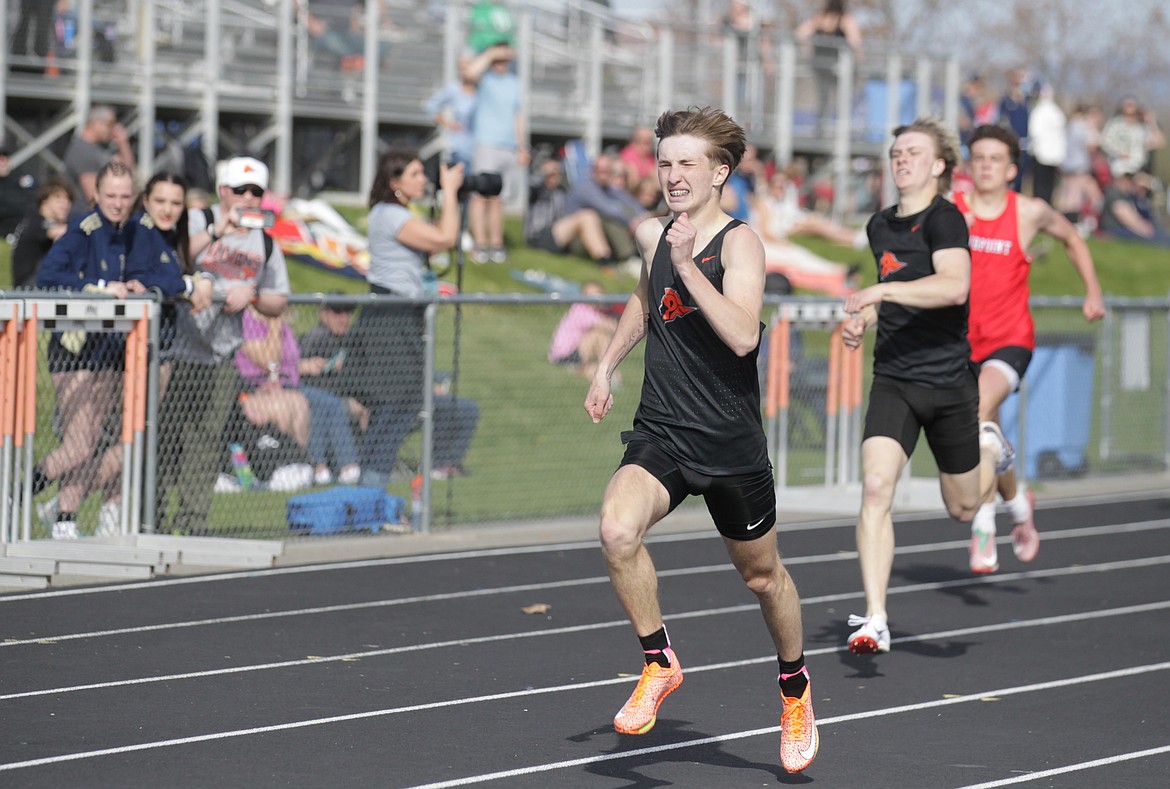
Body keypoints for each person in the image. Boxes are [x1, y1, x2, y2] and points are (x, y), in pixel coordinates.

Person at [583, 106, 817, 774]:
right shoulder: (650, 232)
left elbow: (744, 335)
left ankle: (795, 687)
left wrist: (688, 266)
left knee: (762, 576)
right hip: (663, 429)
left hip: (729, 443)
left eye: (688, 163)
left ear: (719, 172)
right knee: (615, 529)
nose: (674, 174)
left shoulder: (740, 243)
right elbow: (643, 295)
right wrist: (607, 363)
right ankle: (659, 661)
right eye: (665, 162)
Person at [840, 117, 982, 654]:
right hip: (895, 378)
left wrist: (878, 295)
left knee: (963, 508)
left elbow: (953, 287)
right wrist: (863, 322)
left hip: (948, 383)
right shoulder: (880, 225)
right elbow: (896, 296)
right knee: (876, 488)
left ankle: (990, 451)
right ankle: (876, 616)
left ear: (940, 164)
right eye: (896, 151)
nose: (902, 159)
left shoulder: (946, 221)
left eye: (914, 152)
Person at [955, 124, 1105, 574]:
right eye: (978, 158)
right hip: (960, 344)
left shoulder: (1029, 213)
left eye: (994, 159)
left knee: (978, 410)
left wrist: (1092, 291)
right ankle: (1019, 507)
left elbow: (1073, 238)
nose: (985, 166)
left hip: (1009, 340)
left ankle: (983, 523)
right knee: (990, 436)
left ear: (1011, 169)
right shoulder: (953, 210)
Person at [157, 156, 290, 535]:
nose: (247, 197)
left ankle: (193, 521)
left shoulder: (264, 239)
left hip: (221, 354)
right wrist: (220, 230)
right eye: (240, 189)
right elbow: (176, 257)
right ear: (223, 190)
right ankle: (153, 517)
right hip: (177, 347)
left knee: (205, 440)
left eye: (256, 191)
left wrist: (252, 296)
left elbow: (278, 297)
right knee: (166, 437)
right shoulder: (199, 219)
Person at [32, 160, 137, 539]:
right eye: (111, 195)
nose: (118, 203)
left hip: (108, 350)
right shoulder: (83, 229)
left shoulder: (134, 231)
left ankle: (64, 518)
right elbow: (49, 277)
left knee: (92, 443)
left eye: (125, 196)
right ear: (96, 195)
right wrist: (97, 288)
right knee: (78, 445)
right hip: (73, 348)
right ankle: (19, 491)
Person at [348, 149, 464, 488]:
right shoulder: (388, 213)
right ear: (394, 181)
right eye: (415, 174)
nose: (423, 179)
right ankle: (369, 494)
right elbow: (445, 238)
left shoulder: (398, 214)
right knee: (393, 405)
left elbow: (436, 244)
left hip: (402, 315)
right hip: (390, 317)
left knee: (403, 405)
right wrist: (452, 191)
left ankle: (371, 493)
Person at [235, 306, 361, 486]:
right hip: (263, 386)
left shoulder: (283, 327)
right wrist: (274, 324)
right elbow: (270, 360)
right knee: (322, 403)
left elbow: (288, 362)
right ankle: (321, 465)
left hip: (292, 383)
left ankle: (343, 466)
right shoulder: (253, 324)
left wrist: (306, 365)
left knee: (327, 404)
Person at [463, 43, 528, 264]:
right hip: (487, 143)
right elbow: (469, 71)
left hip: (508, 146)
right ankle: (479, 243)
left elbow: (517, 116)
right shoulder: (485, 78)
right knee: (481, 196)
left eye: (504, 59)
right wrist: (490, 54)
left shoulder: (514, 83)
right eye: (498, 60)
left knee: (498, 199)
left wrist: (521, 146)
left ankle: (496, 244)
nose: (501, 63)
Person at [753, 169, 859, 297]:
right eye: (778, 185)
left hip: (778, 242)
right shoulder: (765, 204)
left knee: (801, 254)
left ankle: (837, 267)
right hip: (768, 244)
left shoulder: (780, 204)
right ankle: (836, 270)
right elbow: (765, 232)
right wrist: (781, 242)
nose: (780, 189)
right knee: (798, 256)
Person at [565, 153, 653, 266]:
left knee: (617, 216)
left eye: (607, 171)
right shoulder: (586, 188)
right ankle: (627, 258)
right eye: (600, 170)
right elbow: (609, 209)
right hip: (575, 240)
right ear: (593, 170)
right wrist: (631, 221)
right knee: (609, 220)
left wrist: (642, 215)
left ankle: (632, 257)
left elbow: (627, 200)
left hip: (594, 239)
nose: (603, 175)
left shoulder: (607, 187)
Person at [524, 158, 614, 265]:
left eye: (557, 173)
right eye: (551, 174)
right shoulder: (537, 190)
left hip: (560, 236)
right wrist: (545, 171)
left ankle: (606, 258)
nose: (554, 176)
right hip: (538, 237)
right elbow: (533, 180)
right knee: (586, 216)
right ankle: (605, 261)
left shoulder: (562, 191)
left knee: (589, 215)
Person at [795, 0, 862, 135]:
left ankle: (822, 130)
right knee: (842, 99)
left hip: (821, 65)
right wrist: (858, 61)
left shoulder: (819, 18)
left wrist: (808, 51)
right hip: (837, 67)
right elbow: (856, 42)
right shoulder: (845, 19)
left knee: (824, 99)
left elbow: (799, 34)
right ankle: (837, 130)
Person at [62, 105, 136, 217]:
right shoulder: (83, 151)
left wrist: (123, 142)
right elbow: (92, 194)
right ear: (96, 123)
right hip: (87, 216)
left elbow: (126, 170)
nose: (113, 129)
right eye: (110, 124)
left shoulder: (101, 148)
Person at [8, 177, 73, 288]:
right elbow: (57, 232)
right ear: (44, 201)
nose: (65, 204)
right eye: (58, 198)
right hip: (28, 286)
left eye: (68, 199)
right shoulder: (35, 221)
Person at [548, 279, 619, 379]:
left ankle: (601, 369)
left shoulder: (583, 309)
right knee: (599, 333)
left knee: (599, 332)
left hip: (570, 353)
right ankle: (606, 367)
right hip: (565, 356)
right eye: (591, 295)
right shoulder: (582, 310)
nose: (595, 299)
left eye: (598, 295)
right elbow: (611, 327)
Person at [425, 54, 480, 171]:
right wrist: (449, 124)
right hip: (460, 149)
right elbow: (431, 106)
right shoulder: (453, 89)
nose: (464, 71)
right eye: (462, 68)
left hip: (481, 148)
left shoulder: (483, 90)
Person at [1057, 104, 1104, 231]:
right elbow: (1091, 146)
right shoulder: (1083, 127)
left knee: (1066, 195)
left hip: (1066, 164)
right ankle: (1070, 224)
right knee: (1075, 196)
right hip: (1078, 165)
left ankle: (1063, 223)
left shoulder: (1070, 125)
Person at [1099, 170, 1170, 246]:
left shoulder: (1129, 196)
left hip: (1126, 229)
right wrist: (1144, 229)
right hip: (1115, 230)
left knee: (1163, 236)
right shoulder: (1114, 193)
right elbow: (1125, 217)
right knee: (1162, 239)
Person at [1099, 97, 1165, 179]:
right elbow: (1104, 143)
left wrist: (1151, 121)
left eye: (1132, 105)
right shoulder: (1114, 124)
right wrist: (1119, 152)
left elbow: (1159, 143)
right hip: (1119, 170)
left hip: (1140, 171)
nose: (1130, 107)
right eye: (1127, 105)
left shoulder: (1142, 128)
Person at [1027, 84, 1066, 205]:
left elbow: (1034, 132)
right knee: (1048, 189)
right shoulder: (1057, 112)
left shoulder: (1039, 111)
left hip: (1042, 155)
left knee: (1041, 189)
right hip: (1051, 156)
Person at [0, 145, 38, 237]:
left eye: (5, 157)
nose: (3, 161)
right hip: (6, 231)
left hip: (29, 227)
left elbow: (37, 196)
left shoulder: (20, 177)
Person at [617, 126, 657, 192]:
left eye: (650, 142)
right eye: (646, 143)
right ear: (636, 141)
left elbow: (657, 181)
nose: (650, 147)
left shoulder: (649, 157)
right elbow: (633, 184)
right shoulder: (627, 156)